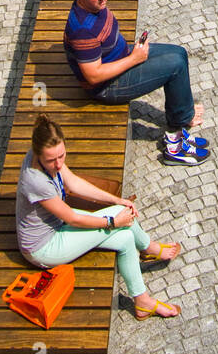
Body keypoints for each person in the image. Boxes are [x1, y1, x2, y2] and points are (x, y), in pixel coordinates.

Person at [16, 115, 181, 320]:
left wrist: (117, 200)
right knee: (118, 218)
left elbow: (74, 183)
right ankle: (149, 248)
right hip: (44, 247)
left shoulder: (44, 155)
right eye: (52, 160)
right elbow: (73, 218)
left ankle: (142, 302)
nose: (58, 164)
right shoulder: (35, 181)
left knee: (126, 238)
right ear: (39, 154)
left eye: (62, 156)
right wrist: (113, 220)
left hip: (58, 225)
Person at [64, 0, 209, 164]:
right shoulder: (83, 30)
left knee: (179, 53)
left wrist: (134, 52)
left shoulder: (93, 6)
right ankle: (180, 124)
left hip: (124, 58)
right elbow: (93, 76)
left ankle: (183, 111)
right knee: (175, 65)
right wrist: (134, 59)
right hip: (108, 85)